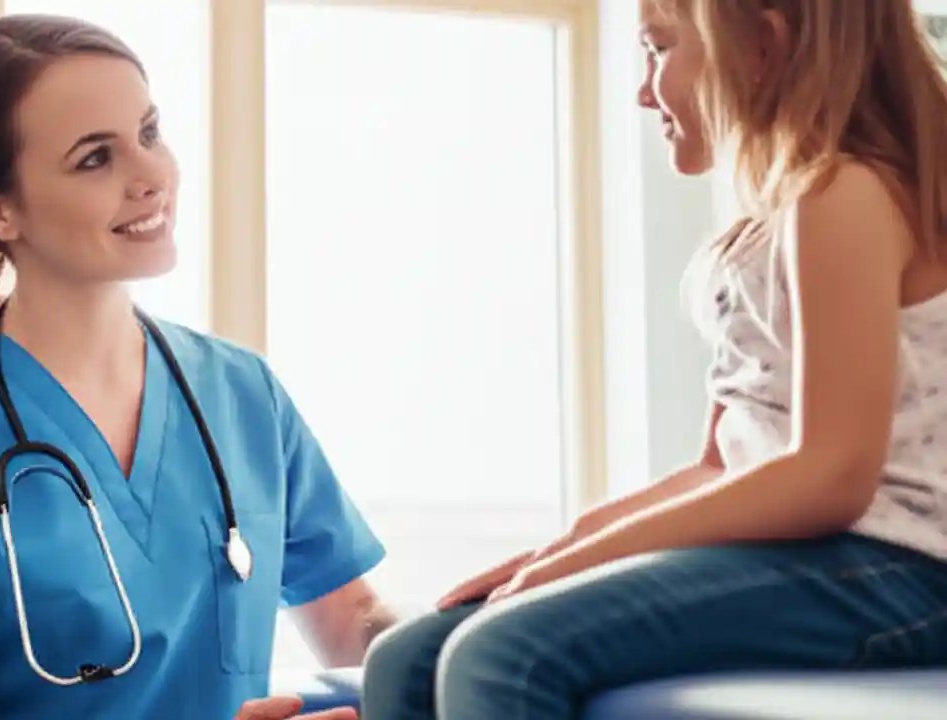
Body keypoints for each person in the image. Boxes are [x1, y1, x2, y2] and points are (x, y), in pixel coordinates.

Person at [360, 1, 947, 718]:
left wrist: (579, 565)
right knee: (405, 658)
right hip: (826, 558)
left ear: (761, 45)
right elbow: (719, 465)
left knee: (502, 654)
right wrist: (570, 544)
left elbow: (830, 475)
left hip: (906, 570)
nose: (643, 90)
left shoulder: (845, 195)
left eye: (658, 49)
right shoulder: (771, 221)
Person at [0, 13, 394, 720]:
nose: (151, 176)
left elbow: (355, 624)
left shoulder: (245, 396)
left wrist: (494, 628)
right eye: (96, 158)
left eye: (149, 134)